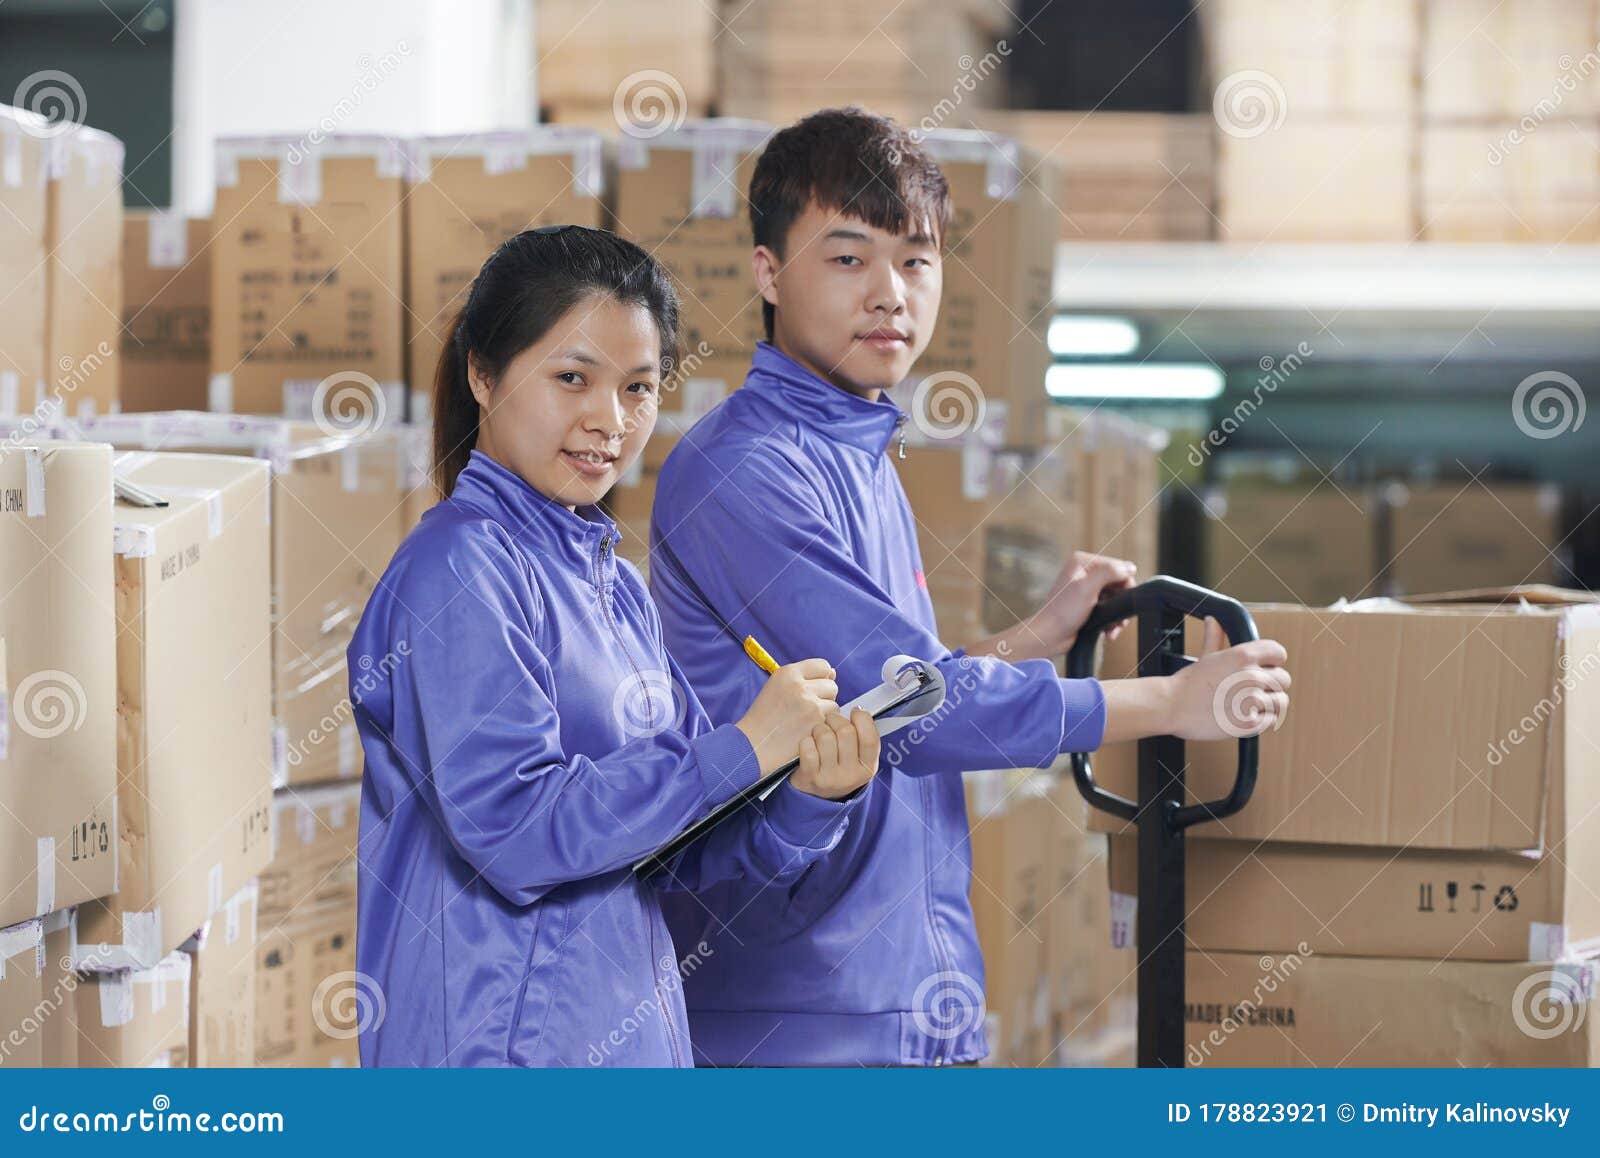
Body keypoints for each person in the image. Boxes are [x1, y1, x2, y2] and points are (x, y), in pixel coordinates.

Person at [649, 109, 1292, 1066]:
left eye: (916, 261)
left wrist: (1034, 636)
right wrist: (1169, 702)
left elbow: (894, 691)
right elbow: (918, 718)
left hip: (906, 993)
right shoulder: (745, 471)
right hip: (800, 1013)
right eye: (847, 258)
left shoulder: (859, 452)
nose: (889, 294)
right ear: (767, 272)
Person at [347, 225, 881, 1068]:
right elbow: (514, 831)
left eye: (639, 388)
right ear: (483, 374)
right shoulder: (458, 569)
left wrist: (810, 793)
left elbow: (678, 840)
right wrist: (743, 746)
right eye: (572, 379)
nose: (610, 420)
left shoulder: (615, 588)